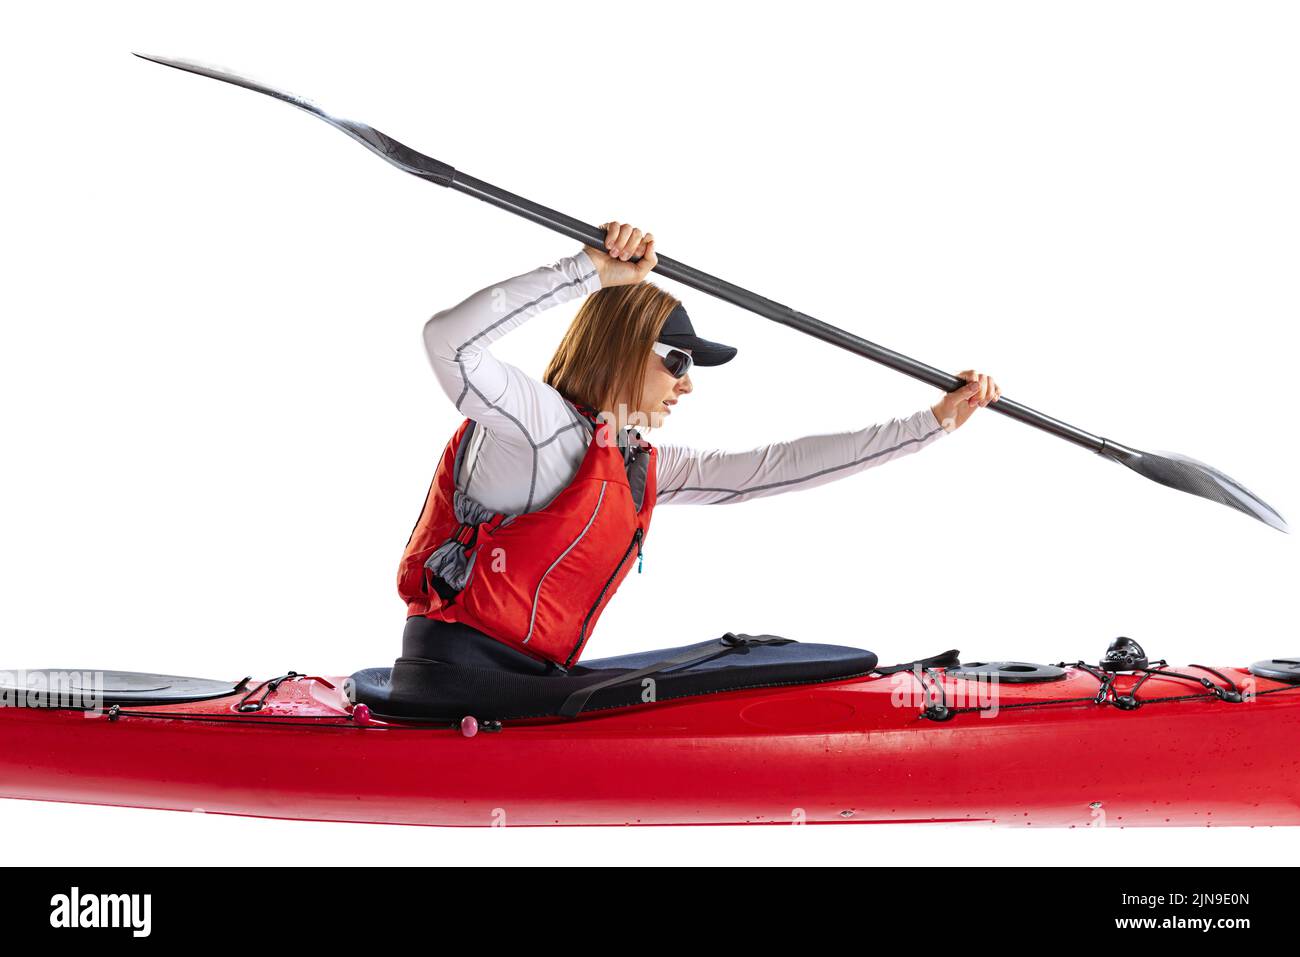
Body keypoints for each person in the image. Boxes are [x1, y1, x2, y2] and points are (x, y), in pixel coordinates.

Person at [396, 221, 1001, 676]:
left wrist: (933, 422)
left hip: (529, 680)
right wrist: (585, 271)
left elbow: (773, 469)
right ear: (621, 348)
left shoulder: (632, 463)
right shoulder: (531, 423)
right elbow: (447, 342)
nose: (687, 384)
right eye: (678, 361)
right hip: (460, 676)